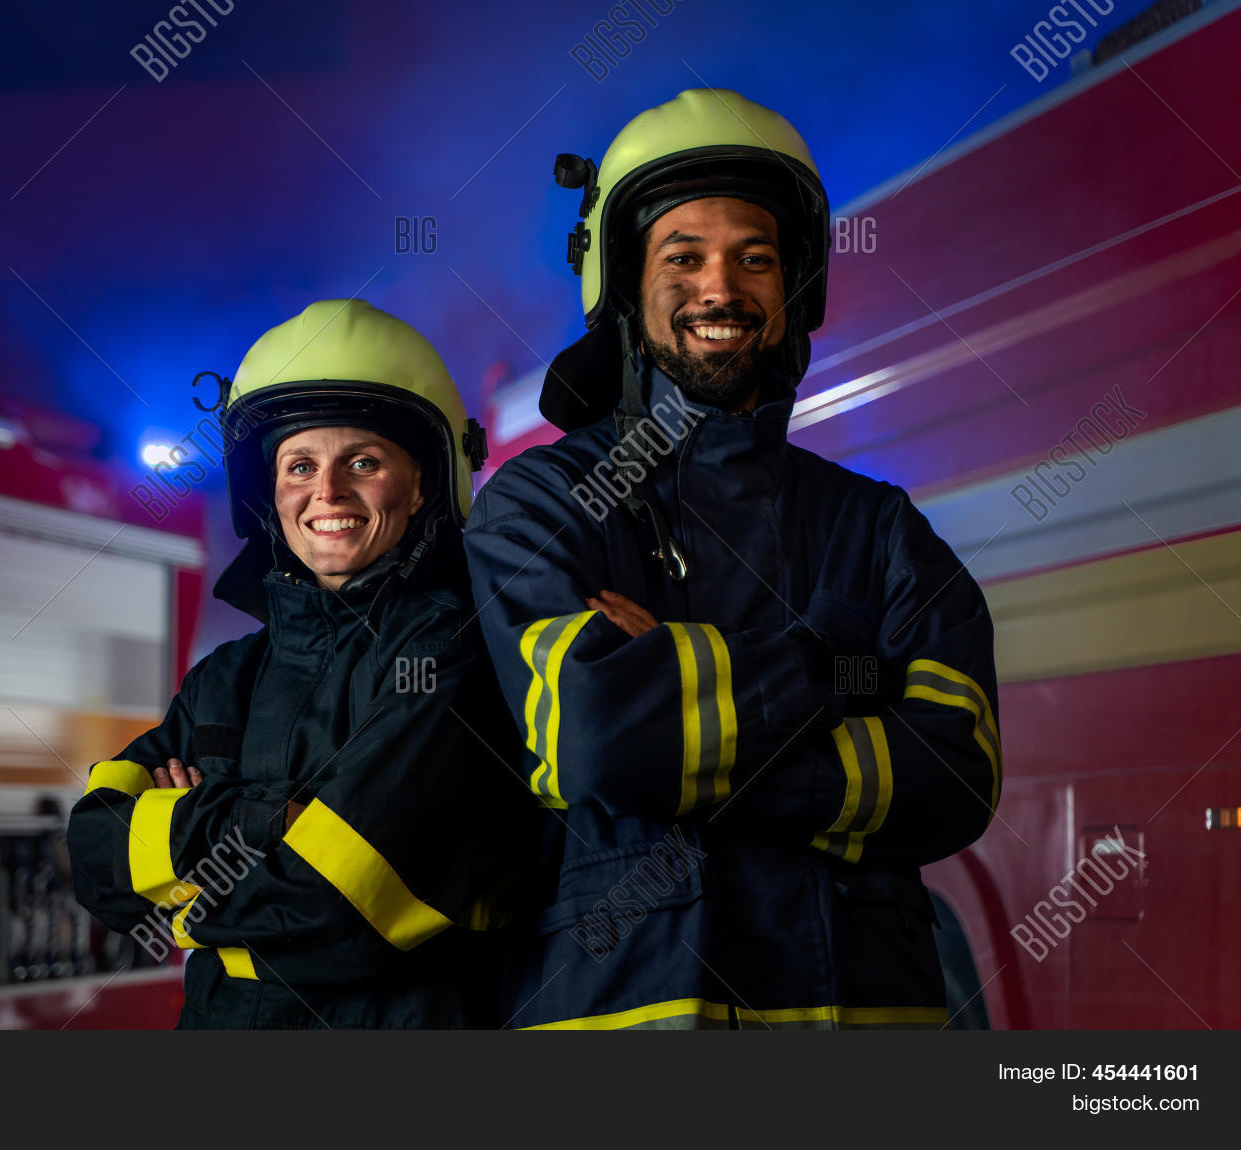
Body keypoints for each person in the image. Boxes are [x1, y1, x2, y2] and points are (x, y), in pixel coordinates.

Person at [463, 89, 1002, 1030]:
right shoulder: (544, 505)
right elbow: (591, 735)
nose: (721, 288)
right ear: (624, 285)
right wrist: (837, 664)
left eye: (755, 258)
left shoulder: (878, 525)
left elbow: (956, 778)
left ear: (794, 288)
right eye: (684, 257)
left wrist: (678, 714)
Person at [69, 299, 525, 1028]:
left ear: (422, 484)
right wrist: (268, 824)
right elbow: (94, 847)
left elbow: (334, 905)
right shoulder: (224, 677)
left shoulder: (455, 652)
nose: (327, 492)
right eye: (299, 465)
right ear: (267, 495)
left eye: (364, 462)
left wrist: (181, 878)